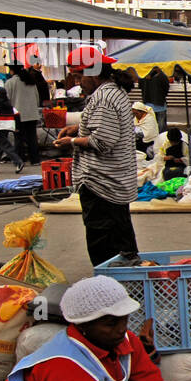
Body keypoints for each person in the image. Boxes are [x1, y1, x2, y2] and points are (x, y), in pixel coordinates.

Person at [0, 277, 189, 381]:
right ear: (82, 325)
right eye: (110, 323)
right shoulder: (63, 366)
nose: (121, 328)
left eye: (124, 319)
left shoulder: (125, 341)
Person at [55, 58, 139, 266]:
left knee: (104, 243)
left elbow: (103, 142)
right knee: (121, 238)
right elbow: (108, 127)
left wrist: (72, 141)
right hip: (113, 180)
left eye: (78, 76)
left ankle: (111, 287)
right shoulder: (112, 92)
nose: (77, 82)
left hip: (101, 182)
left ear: (93, 74)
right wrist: (78, 129)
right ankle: (129, 283)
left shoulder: (104, 98)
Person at [4, 62, 41, 166]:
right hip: (32, 113)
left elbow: (7, 100)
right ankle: (35, 160)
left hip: (18, 114)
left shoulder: (10, 83)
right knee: (32, 138)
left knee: (19, 138)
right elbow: (37, 98)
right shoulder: (31, 81)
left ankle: (20, 160)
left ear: (12, 70)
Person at [0, 87, 25, 175]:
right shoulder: (9, 105)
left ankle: (18, 162)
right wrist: (17, 127)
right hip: (8, 127)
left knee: (6, 146)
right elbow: (17, 115)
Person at [140, 67, 170, 133]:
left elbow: (140, 86)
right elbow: (166, 88)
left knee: (150, 125)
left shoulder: (143, 75)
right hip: (160, 104)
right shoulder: (162, 76)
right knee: (161, 127)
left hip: (147, 105)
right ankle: (160, 138)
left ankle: (152, 139)